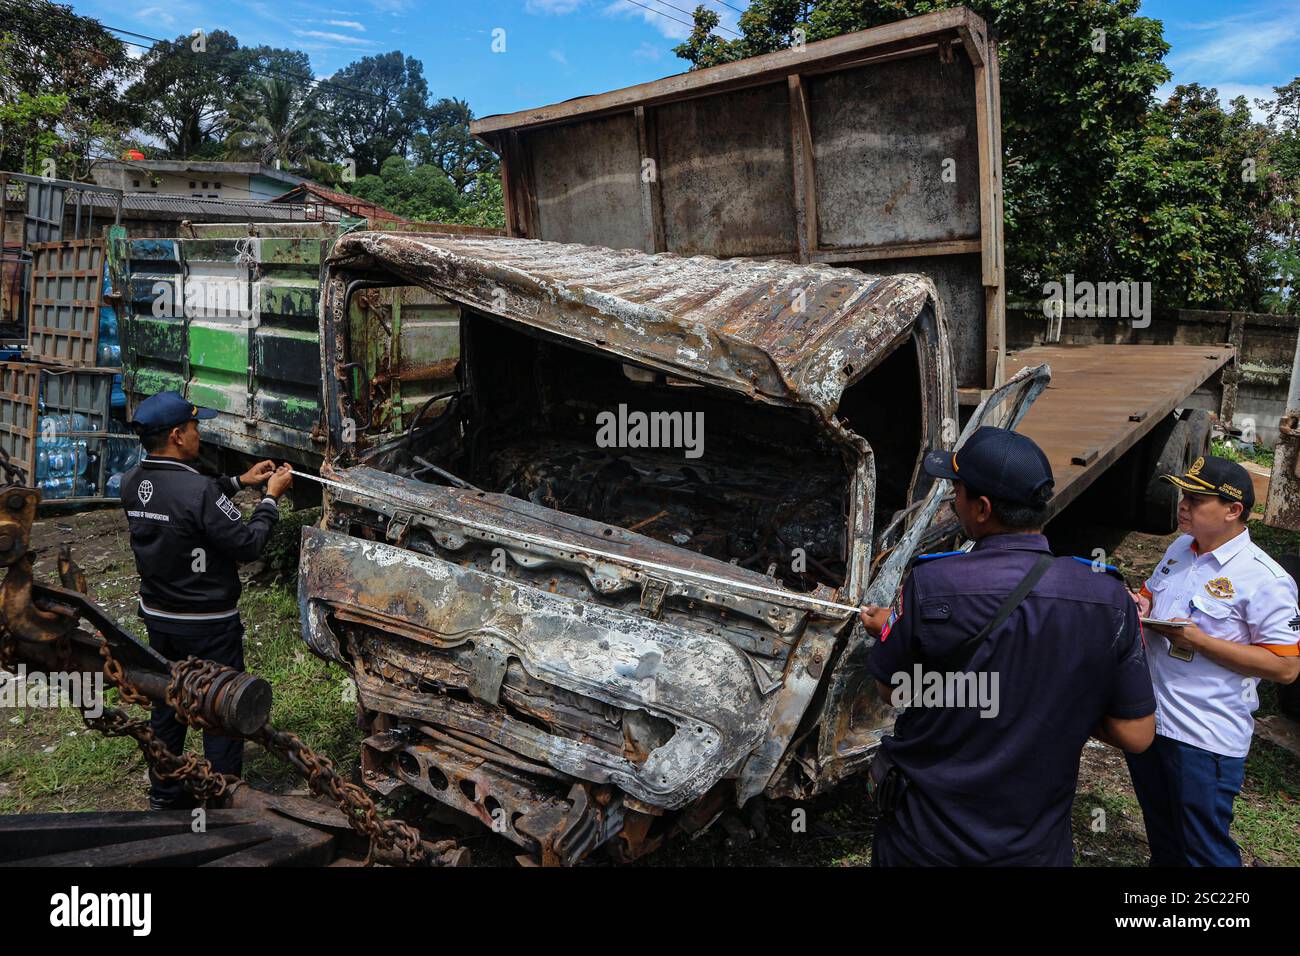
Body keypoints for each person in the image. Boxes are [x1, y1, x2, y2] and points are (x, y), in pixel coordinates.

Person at [859, 426, 1155, 866]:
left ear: (981, 508)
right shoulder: (1108, 597)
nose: (952, 500)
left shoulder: (932, 583)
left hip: (925, 838)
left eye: (956, 490)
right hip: (1034, 847)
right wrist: (1046, 699)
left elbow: (891, 691)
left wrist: (894, 632)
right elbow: (1136, 733)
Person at [120, 390, 293, 810]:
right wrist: (270, 498)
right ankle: (220, 797)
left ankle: (164, 792)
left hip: (158, 618)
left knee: (169, 696)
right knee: (220, 703)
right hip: (209, 623)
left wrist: (239, 482)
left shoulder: (132, 482)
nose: (200, 435)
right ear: (178, 435)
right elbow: (248, 544)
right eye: (196, 428)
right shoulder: (198, 491)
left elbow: (185, 501)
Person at [1129, 454, 1300, 866]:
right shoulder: (1179, 549)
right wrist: (1140, 603)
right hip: (1153, 722)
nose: (1183, 504)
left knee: (1204, 851)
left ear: (1233, 511)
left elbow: (1285, 667)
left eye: (1196, 499)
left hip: (1204, 737)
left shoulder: (1266, 579)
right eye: (1184, 494)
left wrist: (1198, 641)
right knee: (1164, 840)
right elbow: (1154, 592)